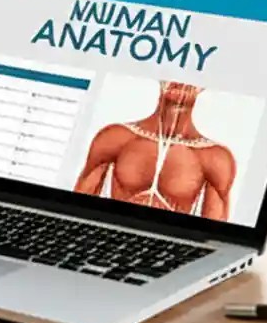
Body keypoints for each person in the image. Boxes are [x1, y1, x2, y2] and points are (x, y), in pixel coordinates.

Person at [74, 81, 236, 221]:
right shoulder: (116, 137)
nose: (183, 81)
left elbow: (212, 236)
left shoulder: (216, 158)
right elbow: (77, 209)